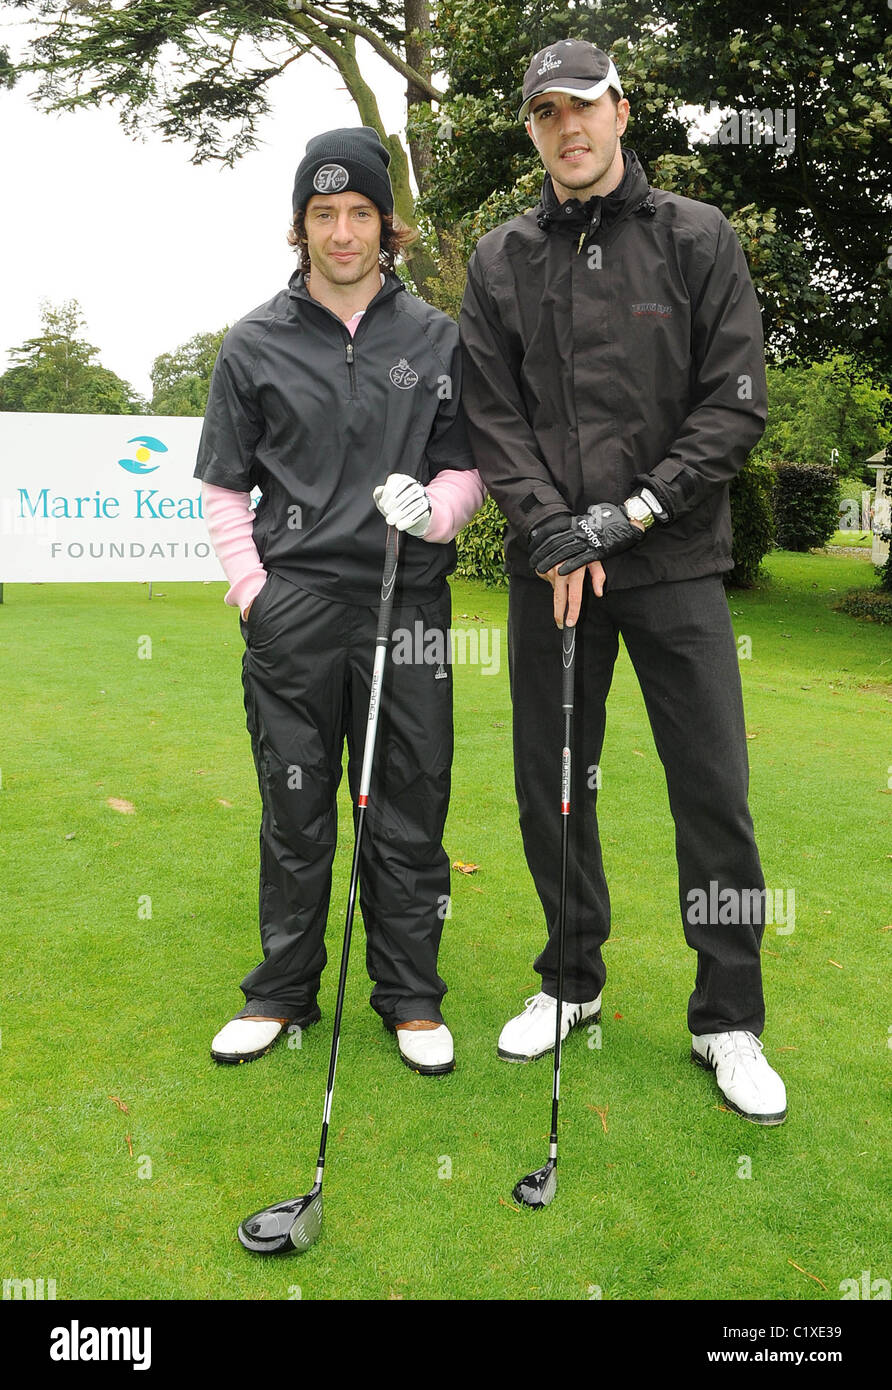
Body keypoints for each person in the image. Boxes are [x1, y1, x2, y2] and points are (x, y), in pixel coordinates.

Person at [459, 40, 787, 1123]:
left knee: (713, 793)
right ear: (534, 131)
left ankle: (727, 1014)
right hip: (553, 570)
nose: (569, 128)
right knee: (553, 784)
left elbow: (734, 400)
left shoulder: (699, 236)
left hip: (675, 559)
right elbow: (490, 416)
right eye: (547, 114)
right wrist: (556, 532)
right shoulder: (500, 256)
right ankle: (570, 979)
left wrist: (635, 509)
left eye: (584, 107)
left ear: (621, 108)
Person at [196, 126, 484, 1075]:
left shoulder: (437, 337)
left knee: (409, 804)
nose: (344, 232)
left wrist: (438, 511)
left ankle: (409, 997)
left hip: (410, 607)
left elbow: (467, 466)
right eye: (324, 215)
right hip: (298, 608)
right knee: (296, 806)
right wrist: (253, 593)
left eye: (361, 212)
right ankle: (281, 993)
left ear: (387, 225)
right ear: (300, 227)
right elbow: (225, 485)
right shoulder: (254, 342)